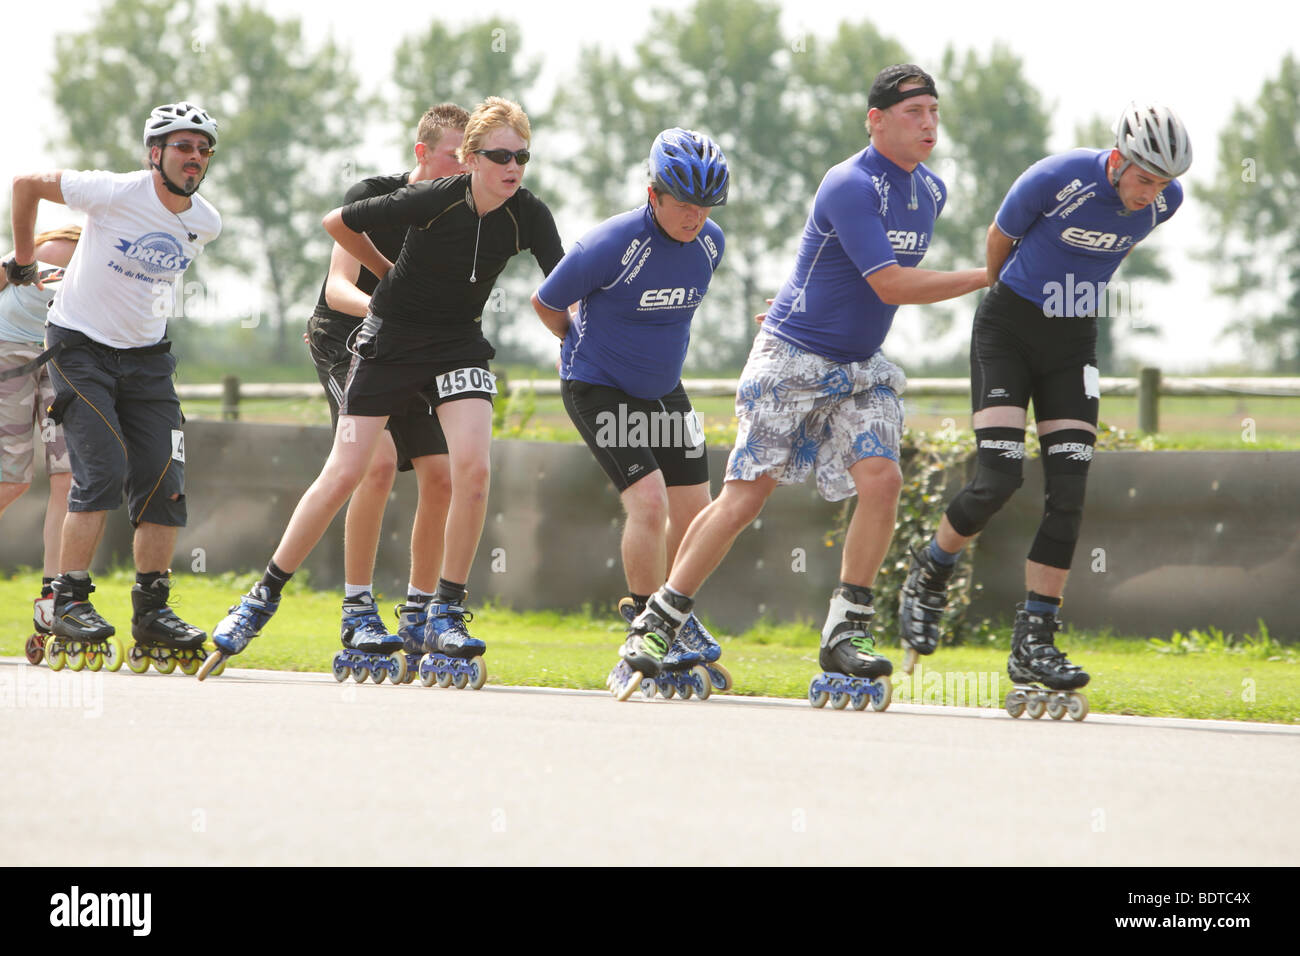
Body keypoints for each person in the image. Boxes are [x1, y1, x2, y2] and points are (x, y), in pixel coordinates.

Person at [621, 65, 987, 696]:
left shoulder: (931, 192)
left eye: (933, 111)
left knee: (883, 479)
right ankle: (662, 617)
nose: (929, 123)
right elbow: (888, 283)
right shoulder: (850, 183)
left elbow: (848, 280)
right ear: (875, 121)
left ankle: (846, 630)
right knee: (746, 496)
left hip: (860, 366)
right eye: (913, 113)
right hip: (793, 355)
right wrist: (988, 275)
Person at [204, 96, 563, 682]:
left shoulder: (528, 212)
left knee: (468, 469)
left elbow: (562, 277)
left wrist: (584, 327)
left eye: (522, 155)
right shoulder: (426, 198)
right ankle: (263, 597)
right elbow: (336, 225)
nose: (513, 166)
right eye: (499, 155)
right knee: (352, 469)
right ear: (469, 159)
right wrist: (388, 275)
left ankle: (442, 609)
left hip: (456, 346)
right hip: (385, 340)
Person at [897, 102, 1190, 709]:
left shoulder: (1165, 202)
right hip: (1008, 329)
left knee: (1069, 492)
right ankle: (929, 573)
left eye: (1162, 184)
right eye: (1143, 179)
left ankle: (1035, 640)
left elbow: (1110, 251)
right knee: (998, 478)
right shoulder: (1055, 178)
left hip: (1073, 338)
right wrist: (1018, 303)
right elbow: (997, 245)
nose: (1150, 195)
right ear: (1118, 160)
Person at [8, 101, 221, 671]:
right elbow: (25, 183)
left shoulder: (206, 221)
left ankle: (151, 610)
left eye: (203, 149)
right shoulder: (113, 191)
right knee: (102, 471)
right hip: (80, 347)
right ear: (155, 154)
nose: (194, 157)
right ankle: (67, 598)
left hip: (149, 358)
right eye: (182, 146)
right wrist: (25, 260)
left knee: (164, 483)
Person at [531, 128, 731, 695]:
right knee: (649, 504)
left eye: (706, 206)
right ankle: (648, 624)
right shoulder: (610, 244)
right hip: (599, 387)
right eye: (685, 204)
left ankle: (676, 616)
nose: (696, 217)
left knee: (702, 514)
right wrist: (577, 342)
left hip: (665, 390)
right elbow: (544, 301)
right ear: (654, 196)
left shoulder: (711, 244)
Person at [305, 103, 467, 665]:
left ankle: (421, 613)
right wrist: (389, 310)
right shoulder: (373, 195)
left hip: (412, 350)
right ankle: (357, 610)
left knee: (442, 476)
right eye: (456, 155)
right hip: (347, 340)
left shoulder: (465, 214)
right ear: (423, 153)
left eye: (473, 158)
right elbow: (338, 288)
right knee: (374, 465)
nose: (466, 167)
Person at [0, 226, 80, 662]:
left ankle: (55, 600)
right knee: (11, 480)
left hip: (60, 355)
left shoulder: (125, 266)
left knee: (69, 479)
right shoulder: (56, 248)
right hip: (7, 348)